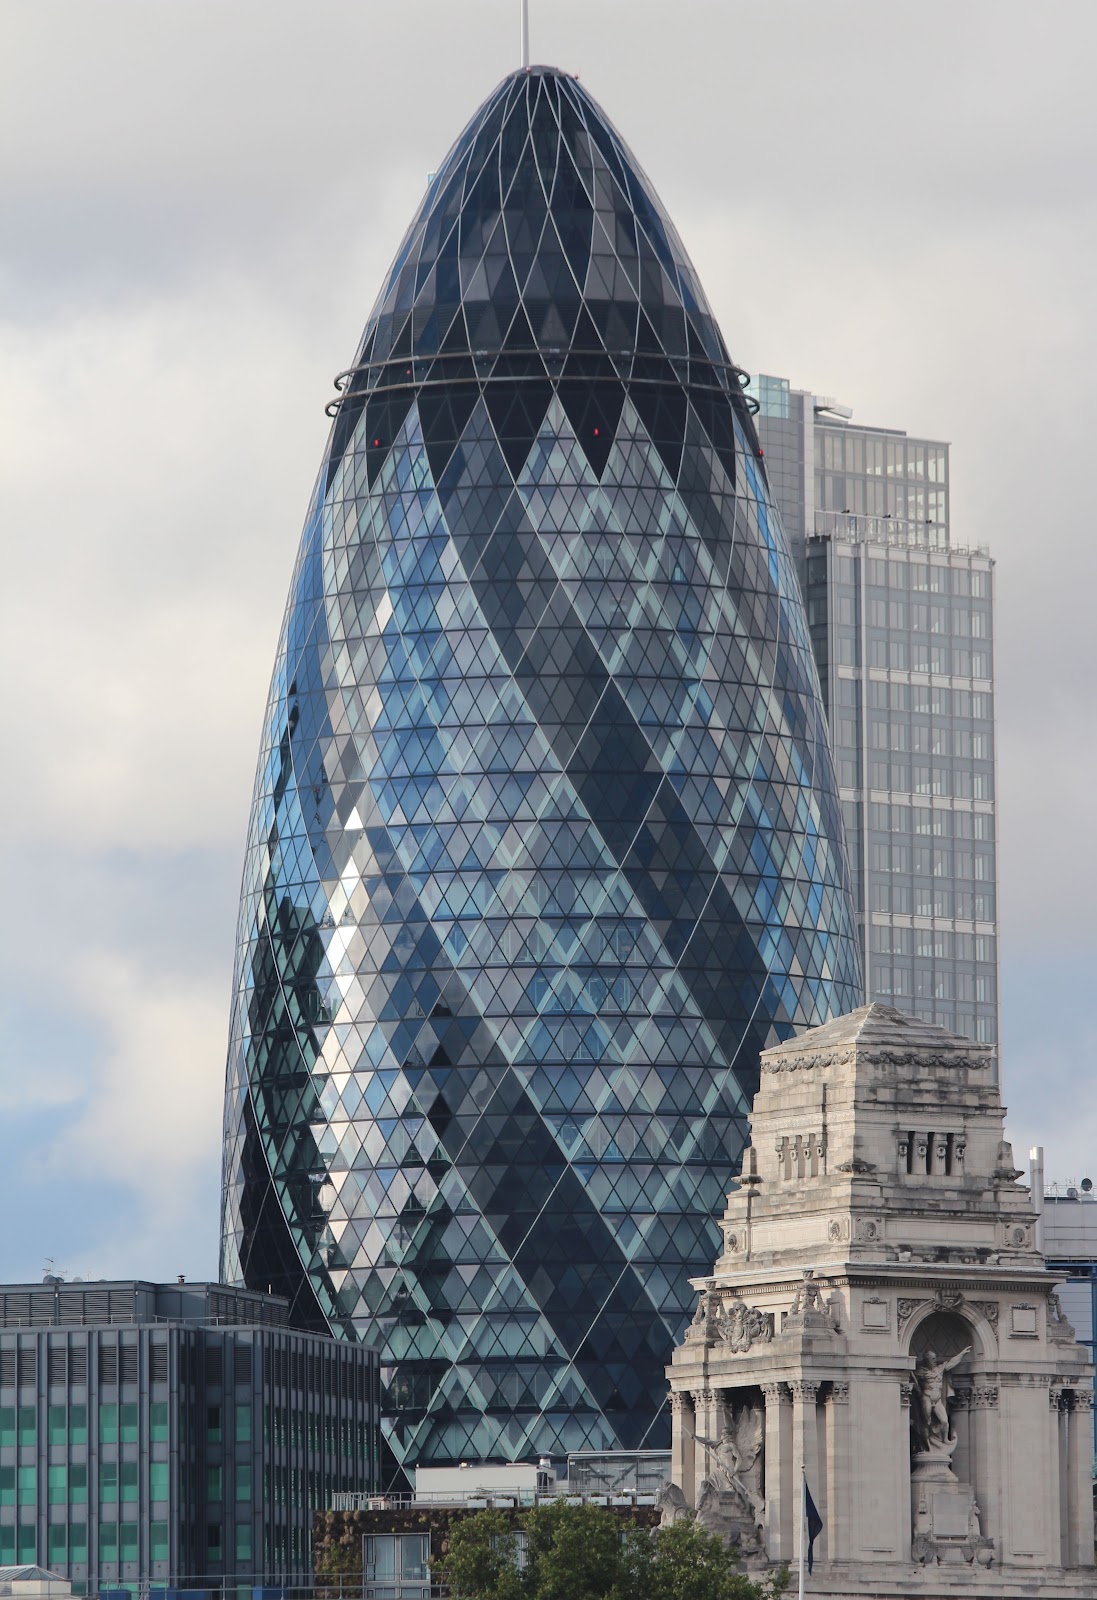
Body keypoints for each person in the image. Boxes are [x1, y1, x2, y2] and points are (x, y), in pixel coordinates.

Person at [912, 1345, 970, 1448]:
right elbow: (911, 1378)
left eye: (935, 1358)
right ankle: (926, 1445)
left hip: (938, 1399)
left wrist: (962, 1354)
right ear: (927, 1360)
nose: (935, 1360)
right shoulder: (921, 1372)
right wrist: (918, 1390)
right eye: (932, 1358)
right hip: (926, 1397)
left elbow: (952, 1363)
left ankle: (945, 1439)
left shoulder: (939, 1369)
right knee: (926, 1422)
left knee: (944, 1421)